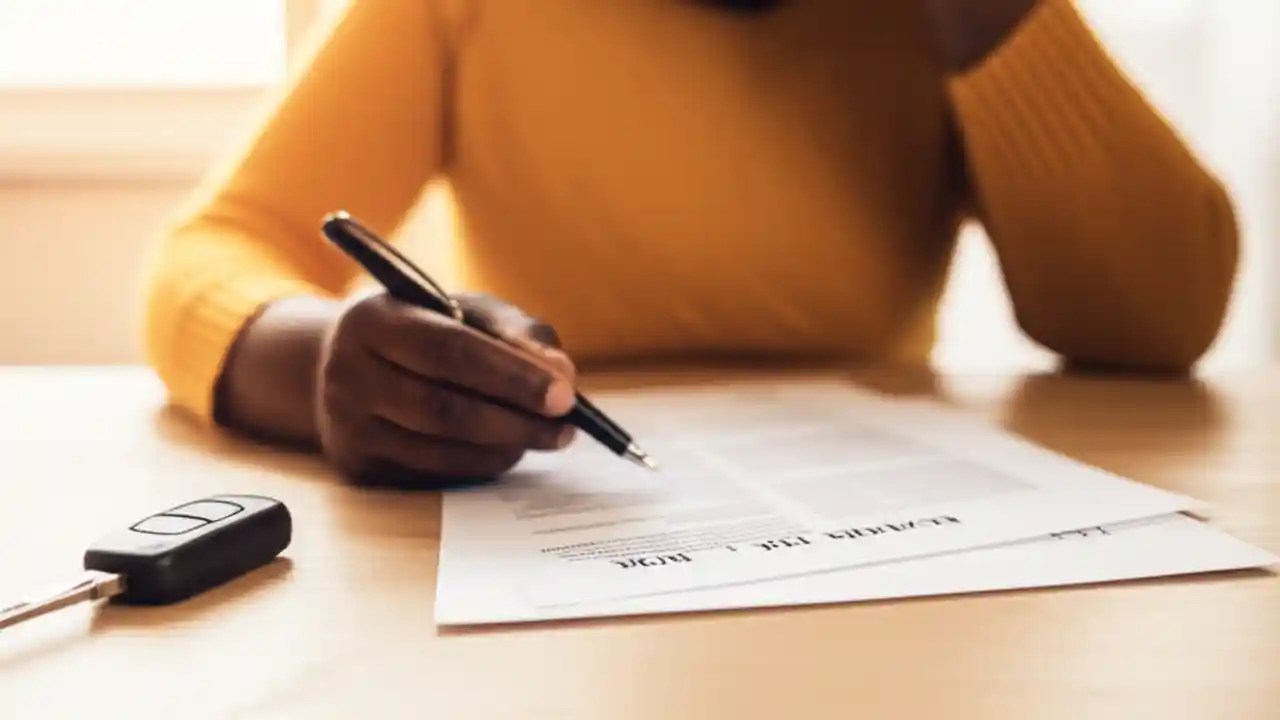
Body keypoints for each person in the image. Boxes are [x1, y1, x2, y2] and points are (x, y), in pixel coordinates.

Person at [143, 0, 1237, 485]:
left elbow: (1159, 316)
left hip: (889, 572)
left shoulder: (921, 17)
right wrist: (325, 362)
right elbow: (218, 247)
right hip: (554, 536)